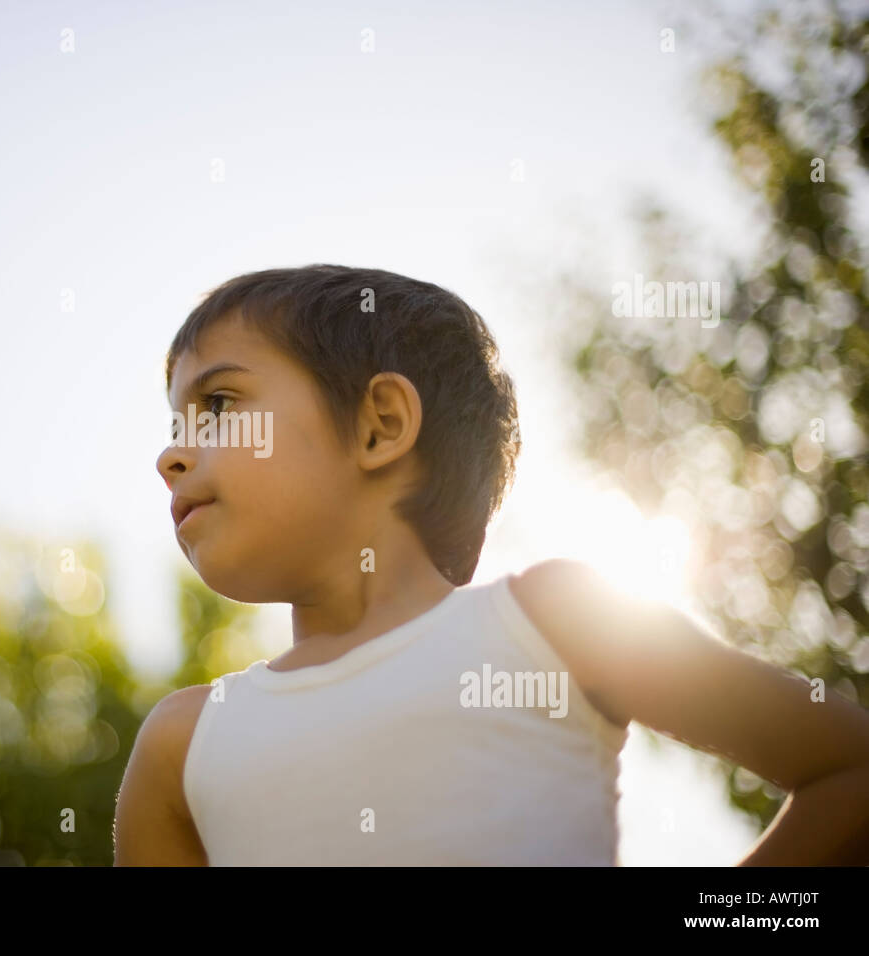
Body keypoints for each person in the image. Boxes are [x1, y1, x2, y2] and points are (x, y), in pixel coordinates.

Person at [113, 264, 869, 866]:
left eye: (218, 404)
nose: (170, 454)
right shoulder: (180, 747)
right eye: (175, 423)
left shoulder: (554, 621)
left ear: (380, 425)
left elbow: (850, 771)